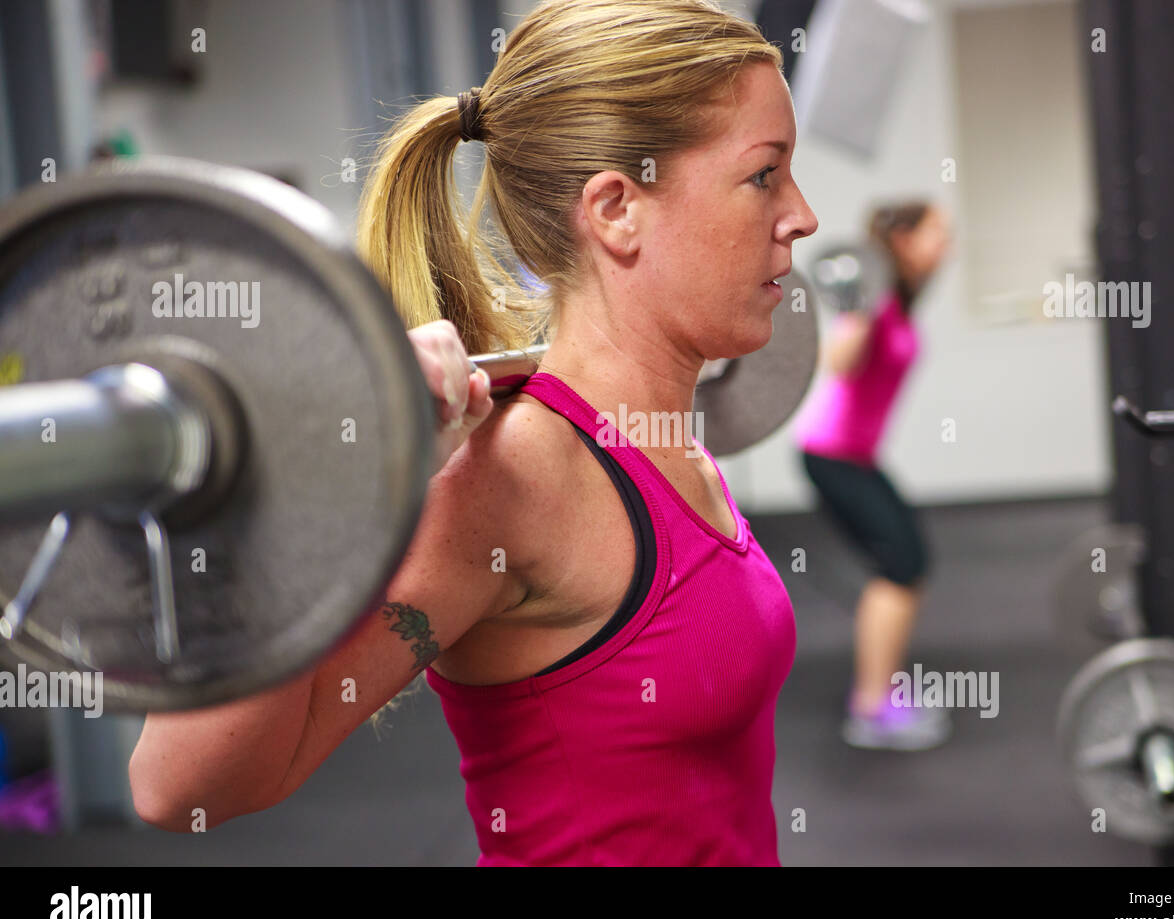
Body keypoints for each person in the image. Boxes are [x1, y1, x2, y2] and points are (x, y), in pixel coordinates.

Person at [128, 0, 818, 866]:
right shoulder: (520, 476)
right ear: (616, 210)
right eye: (765, 175)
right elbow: (178, 789)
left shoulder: (660, 438)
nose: (801, 214)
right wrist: (306, 495)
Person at [795, 202, 952, 751]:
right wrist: (855, 311)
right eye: (937, 234)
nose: (946, 246)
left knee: (907, 564)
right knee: (902, 567)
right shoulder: (875, 296)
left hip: (855, 456)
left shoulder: (899, 295)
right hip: (831, 454)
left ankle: (879, 691)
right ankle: (871, 709)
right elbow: (839, 361)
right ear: (904, 240)